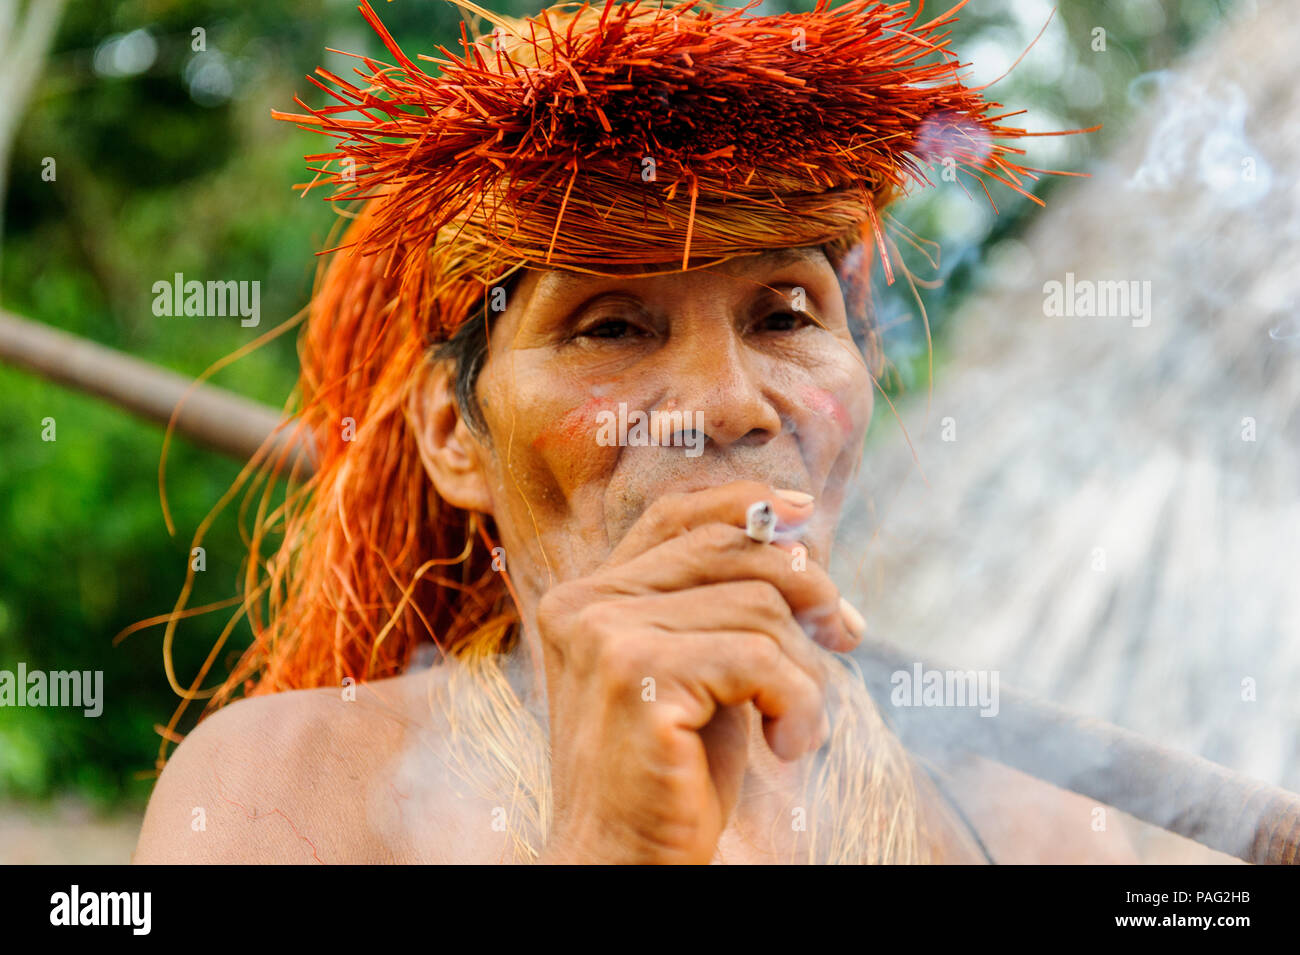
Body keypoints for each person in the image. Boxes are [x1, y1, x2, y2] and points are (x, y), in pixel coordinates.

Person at [134, 0, 1132, 864]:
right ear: (454, 437)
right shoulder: (288, 787)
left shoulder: (1038, 821)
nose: (725, 403)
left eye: (784, 315)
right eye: (609, 325)